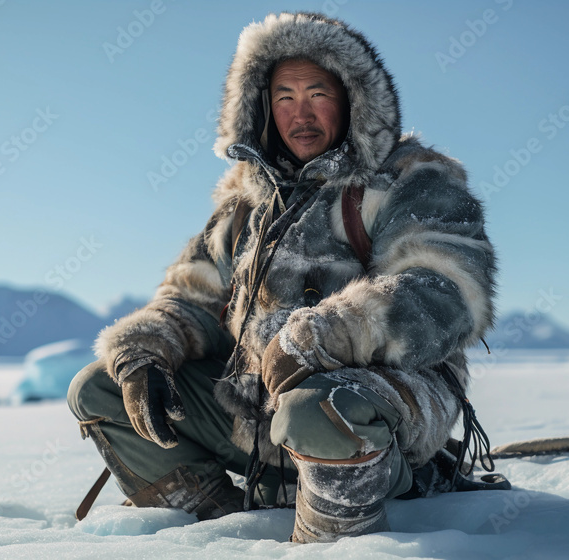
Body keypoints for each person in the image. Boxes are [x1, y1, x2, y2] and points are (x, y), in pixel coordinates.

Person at [68, 12, 497, 543]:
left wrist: (328, 333)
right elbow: (190, 300)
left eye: (319, 93)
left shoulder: (412, 180)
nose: (302, 113)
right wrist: (146, 349)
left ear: (353, 101)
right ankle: (227, 528)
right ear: (262, 108)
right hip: (252, 419)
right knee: (103, 388)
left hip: (380, 406)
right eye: (285, 97)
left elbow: (446, 291)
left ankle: (341, 540)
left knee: (320, 409)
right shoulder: (244, 207)